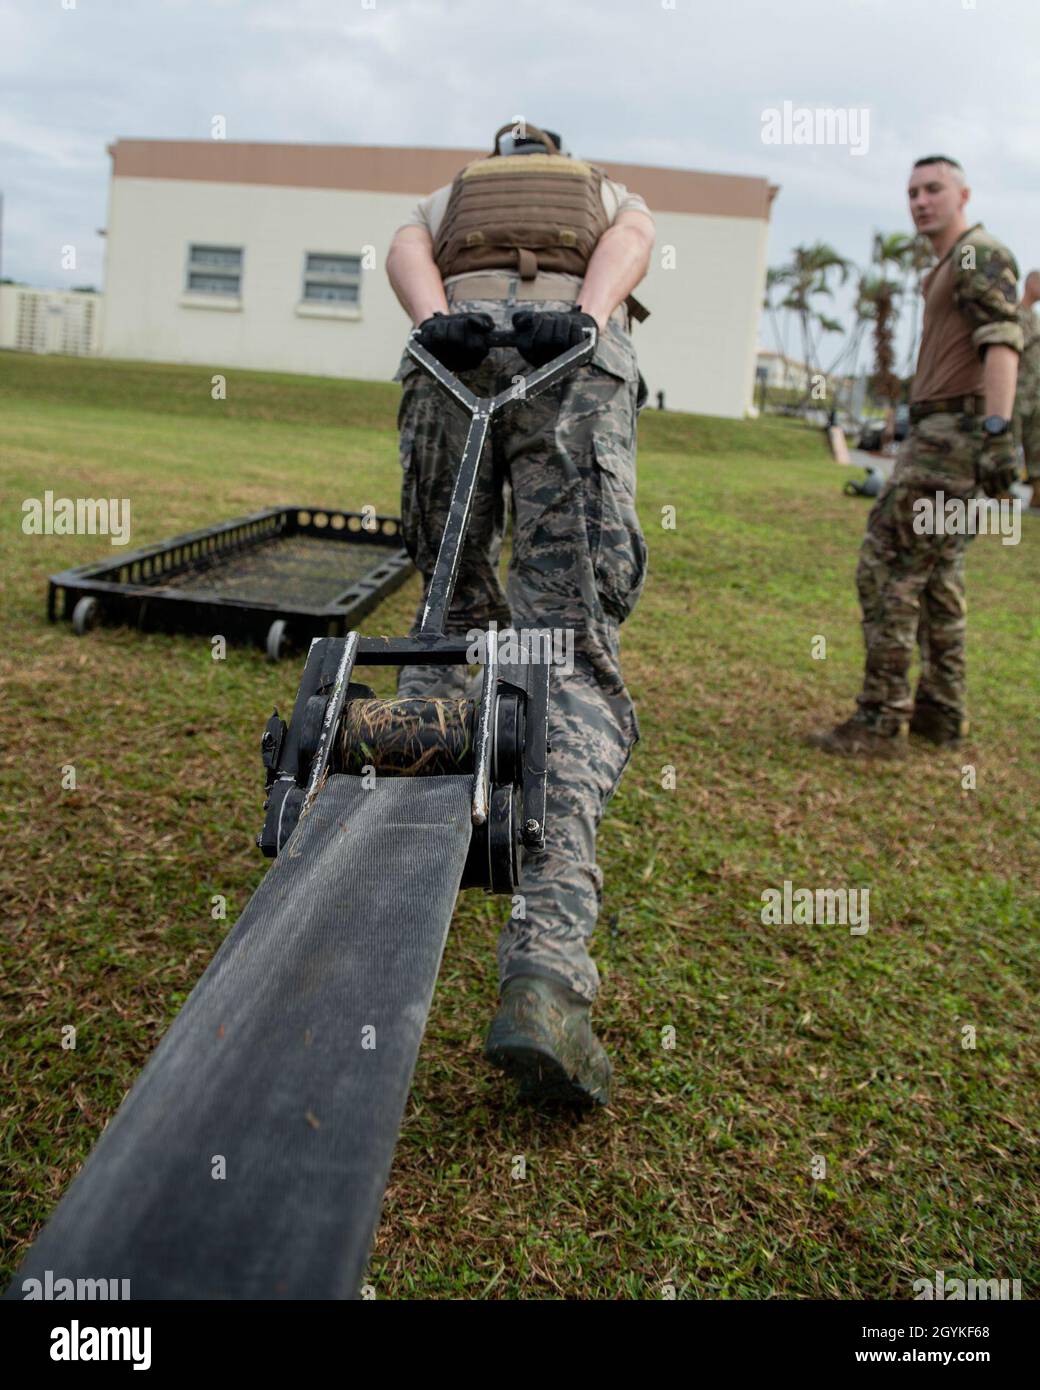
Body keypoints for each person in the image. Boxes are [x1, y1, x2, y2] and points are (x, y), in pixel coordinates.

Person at [385, 123, 655, 1105]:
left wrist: (435, 321)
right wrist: (583, 313)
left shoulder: (451, 194)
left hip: (448, 363)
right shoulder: (598, 186)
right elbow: (633, 240)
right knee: (565, 652)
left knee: (440, 628)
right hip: (568, 367)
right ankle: (543, 975)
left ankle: (378, 886)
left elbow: (402, 253)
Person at [811, 155, 1022, 756]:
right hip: (940, 433)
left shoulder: (977, 255)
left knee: (888, 568)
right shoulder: (944, 268)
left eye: (934, 189)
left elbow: (1003, 341)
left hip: (950, 440)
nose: (921, 201)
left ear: (964, 194)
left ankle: (880, 722)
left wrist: (998, 430)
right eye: (912, 192)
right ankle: (940, 713)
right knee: (936, 577)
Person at [1013, 270, 1040, 497]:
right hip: (1015, 389)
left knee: (1036, 440)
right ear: (1030, 283)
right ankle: (1003, 488)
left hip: (1035, 391)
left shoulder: (1036, 318)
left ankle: (1037, 487)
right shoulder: (1014, 313)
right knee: (1010, 437)